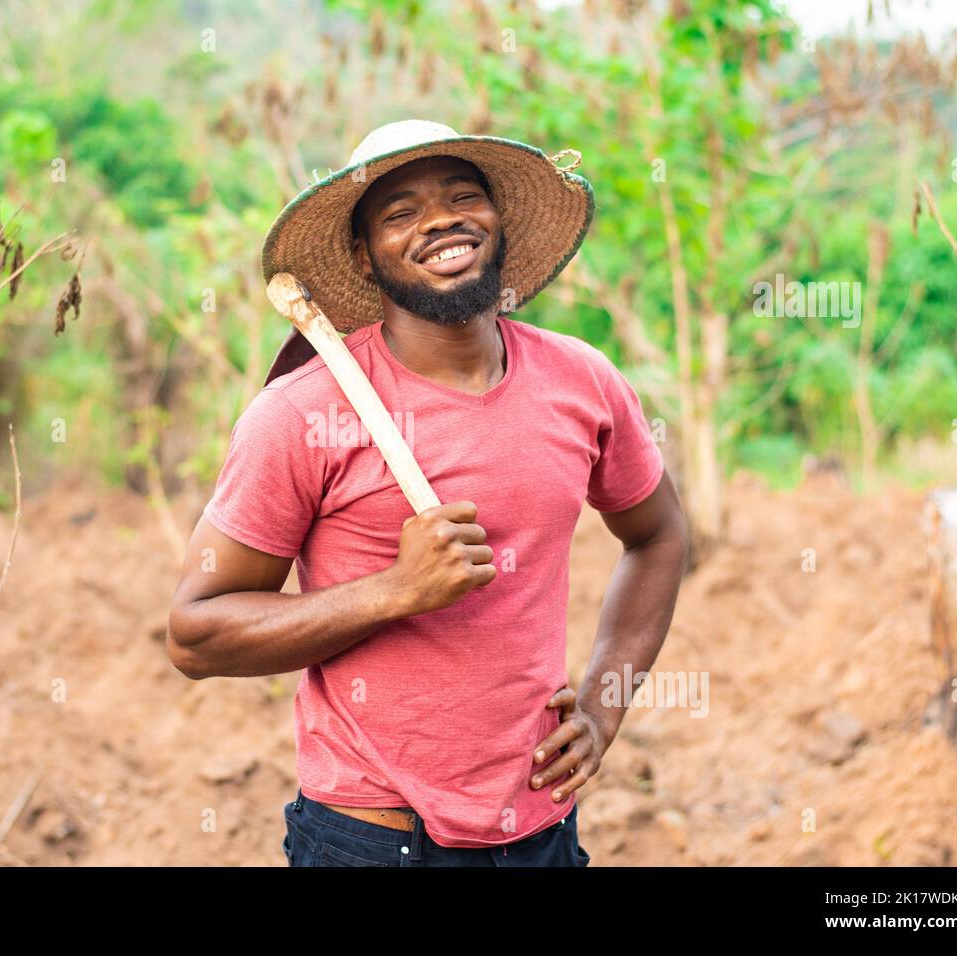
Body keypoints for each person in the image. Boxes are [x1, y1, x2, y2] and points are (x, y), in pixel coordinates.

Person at [167, 120, 688, 866]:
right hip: (371, 835)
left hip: (540, 830)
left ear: (497, 220)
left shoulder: (583, 381)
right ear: (362, 255)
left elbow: (659, 534)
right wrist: (394, 590)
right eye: (399, 212)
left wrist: (605, 705)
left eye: (461, 196)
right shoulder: (301, 413)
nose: (440, 219)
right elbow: (195, 634)